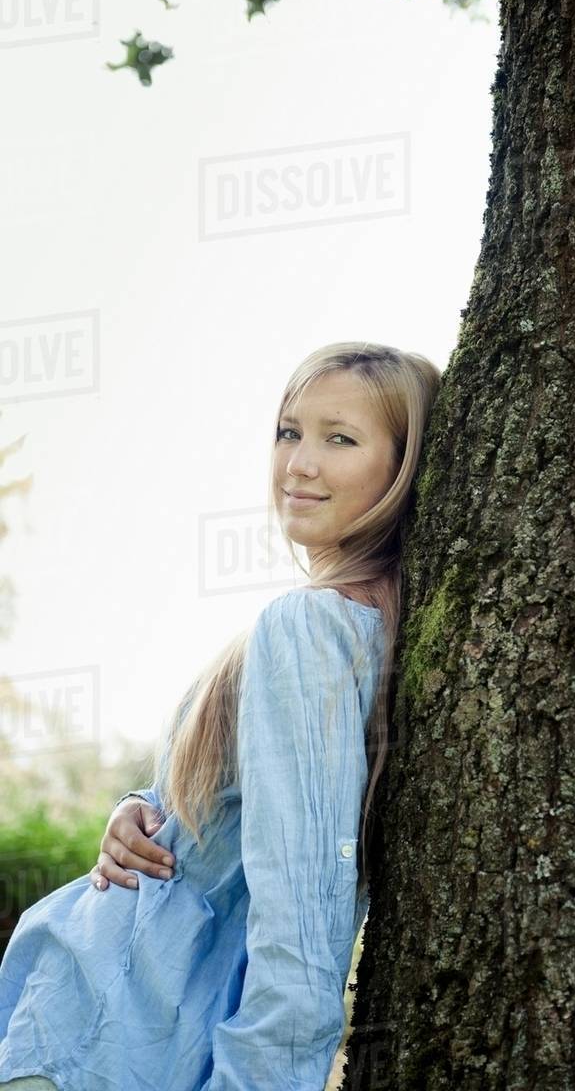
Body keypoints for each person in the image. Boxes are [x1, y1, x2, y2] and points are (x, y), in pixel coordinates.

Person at [0, 341, 441, 1090]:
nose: (299, 464)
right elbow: (232, 817)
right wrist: (144, 810)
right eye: (288, 431)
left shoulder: (309, 629)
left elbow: (305, 909)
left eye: (340, 438)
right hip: (95, 1019)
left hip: (117, 1040)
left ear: (401, 465)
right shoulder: (350, 626)